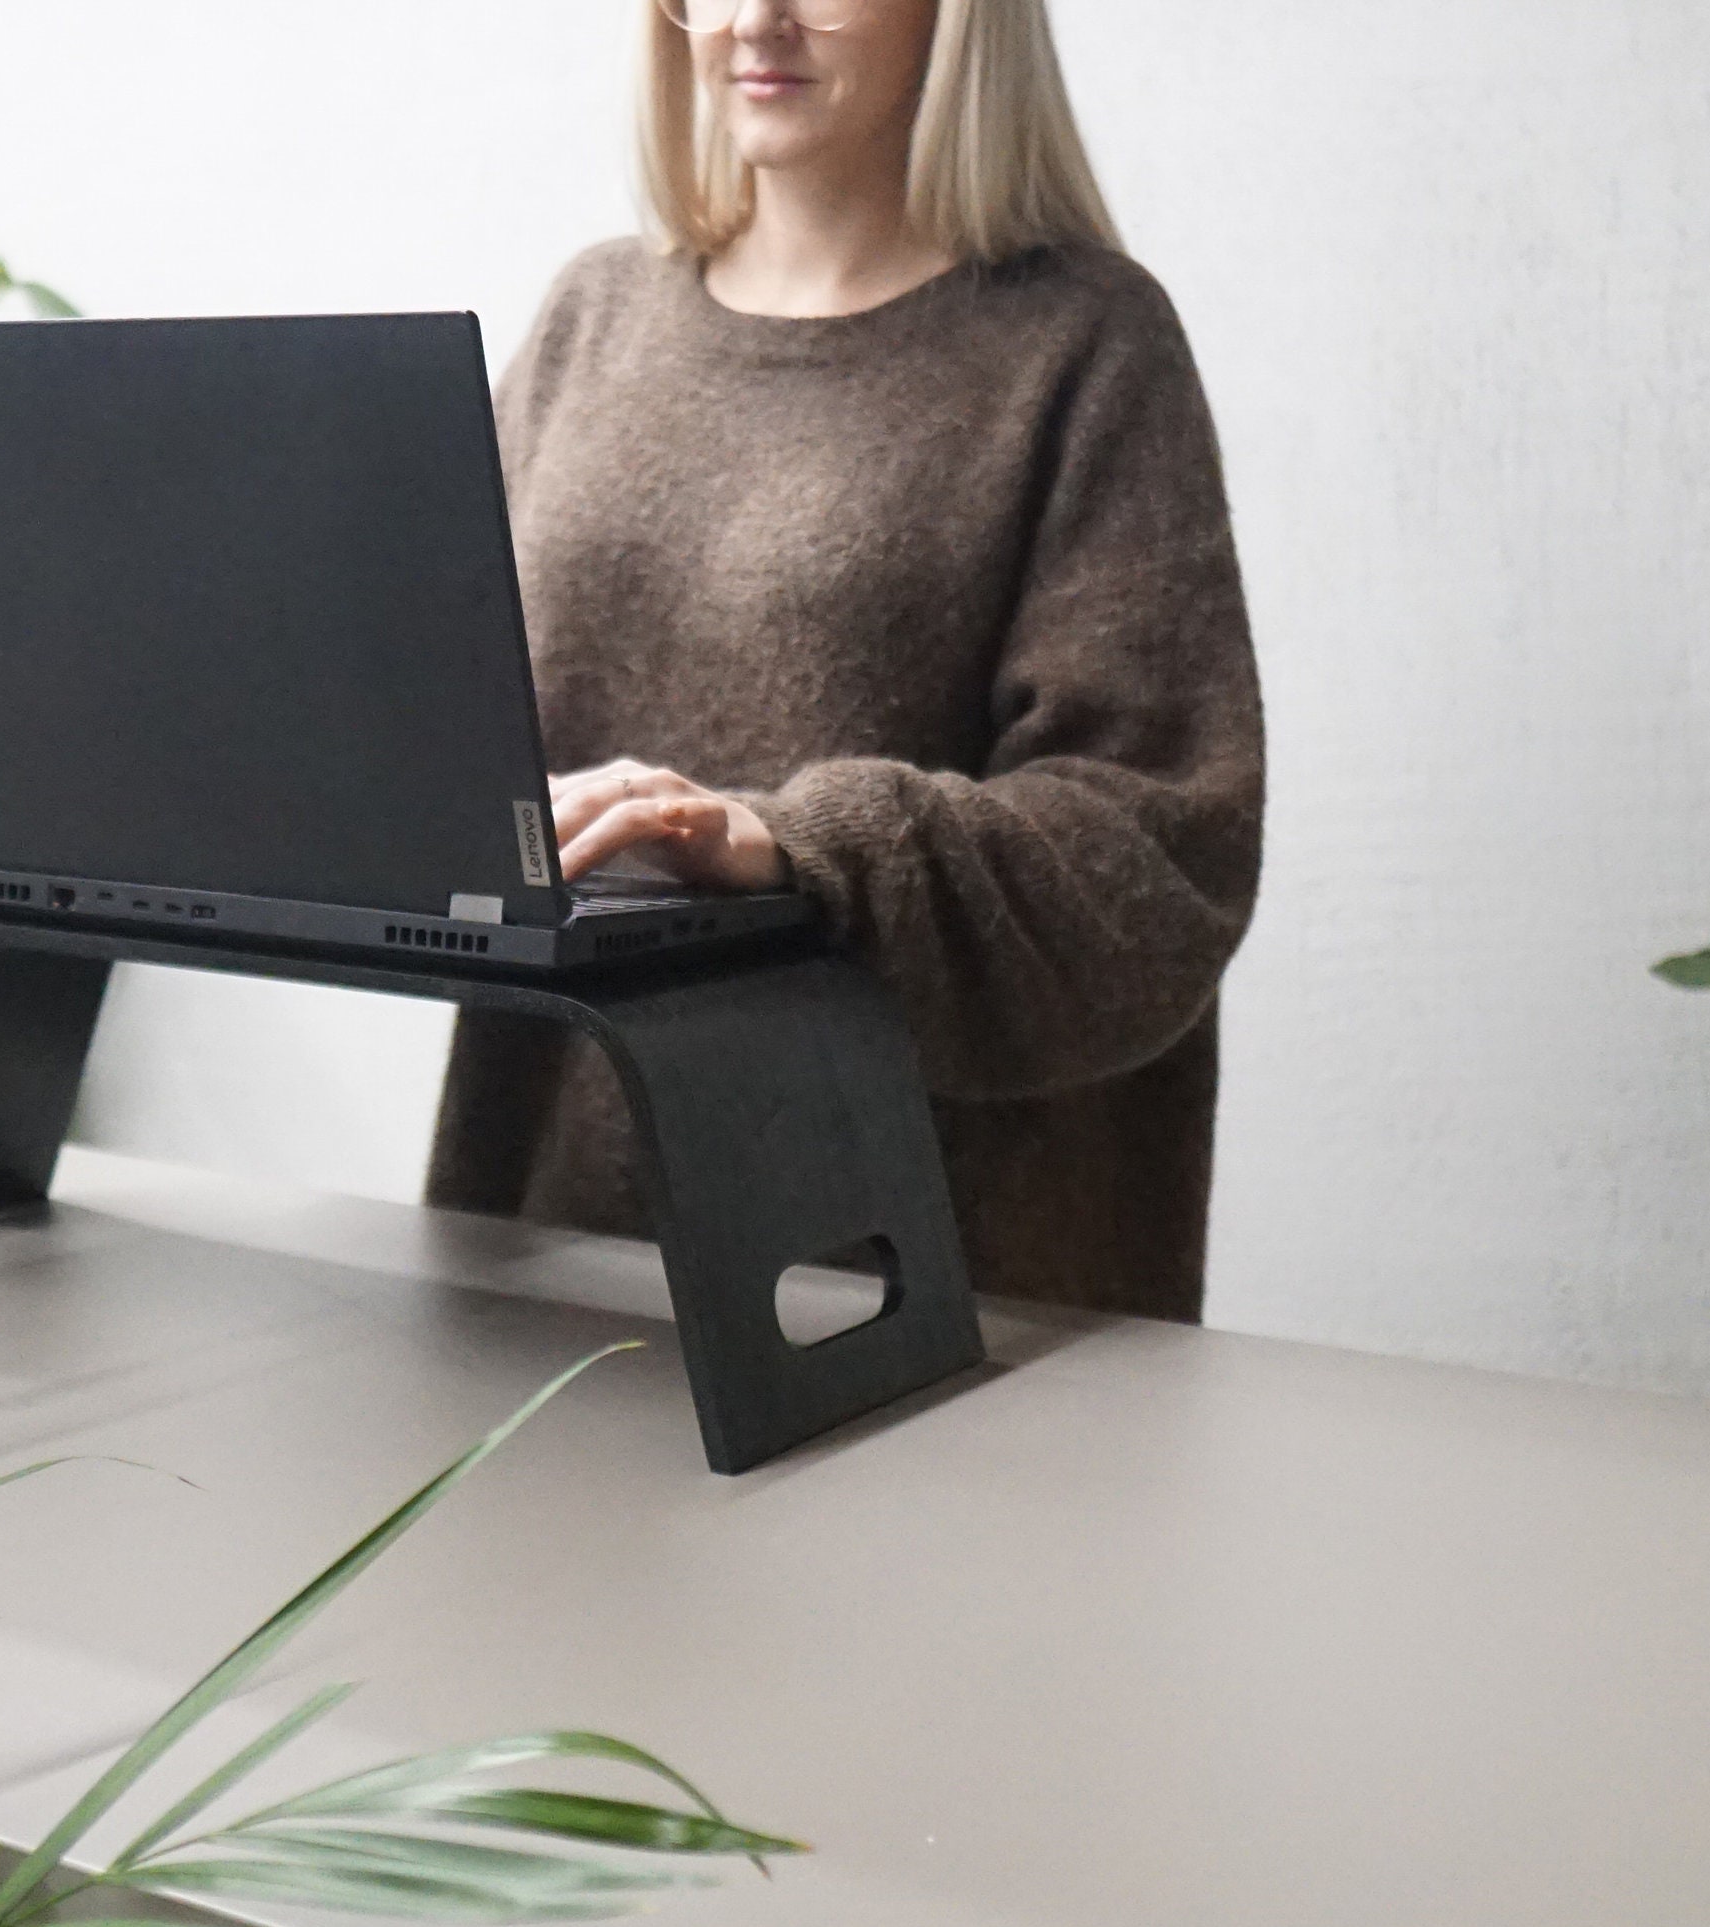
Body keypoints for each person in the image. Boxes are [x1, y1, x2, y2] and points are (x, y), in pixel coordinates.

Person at [424, 0, 1264, 1321]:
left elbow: (1160, 863)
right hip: (563, 1252)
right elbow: (448, 726)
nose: (755, 17)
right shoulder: (595, 318)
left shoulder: (1083, 343)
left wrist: (794, 846)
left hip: (922, 1295)